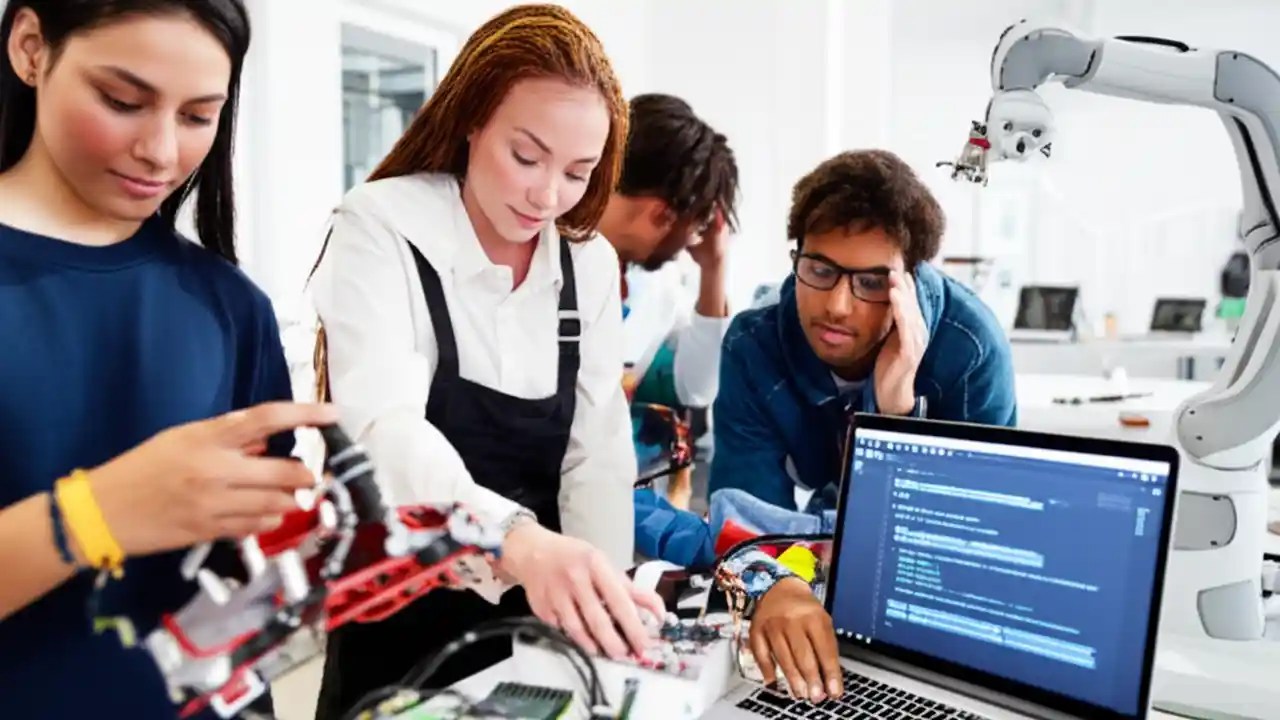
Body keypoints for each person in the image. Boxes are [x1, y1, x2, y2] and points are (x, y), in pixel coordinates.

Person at [308, 5, 664, 716]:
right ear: (472, 119)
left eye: (578, 172)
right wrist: (515, 540)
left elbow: (595, 452)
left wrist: (606, 610)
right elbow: (383, 428)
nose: (547, 195)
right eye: (526, 157)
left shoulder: (586, 261)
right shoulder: (380, 225)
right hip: (398, 617)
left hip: (537, 624)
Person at [0, 2, 335, 718]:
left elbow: (247, 586)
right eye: (122, 101)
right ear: (31, 48)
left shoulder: (228, 307)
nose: (160, 151)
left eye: (197, 117)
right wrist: (95, 515)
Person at [705, 149, 1017, 701]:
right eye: (820, 270)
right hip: (825, 588)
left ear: (910, 278)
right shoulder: (755, 345)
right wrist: (778, 585)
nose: (839, 307)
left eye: (872, 282)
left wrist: (894, 415)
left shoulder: (969, 351)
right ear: (796, 257)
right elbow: (748, 520)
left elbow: (965, 547)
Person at [596, 93, 738, 508]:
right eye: (696, 227)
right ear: (662, 214)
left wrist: (714, 268)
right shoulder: (545, 259)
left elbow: (696, 388)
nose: (689, 243)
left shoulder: (654, 283)